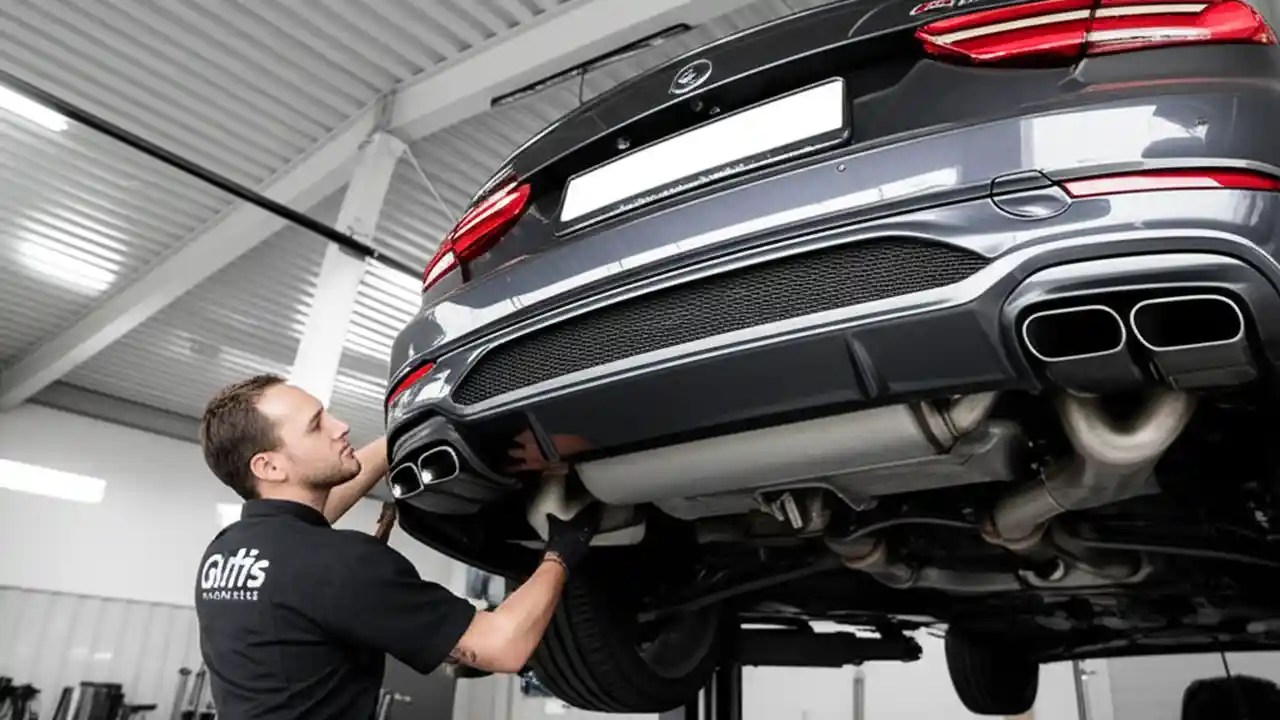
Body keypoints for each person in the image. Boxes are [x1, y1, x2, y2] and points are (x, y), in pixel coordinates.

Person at [193, 374, 600, 719]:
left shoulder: (225, 552)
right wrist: (562, 549)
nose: (340, 426)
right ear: (269, 466)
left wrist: (400, 439)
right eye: (316, 425)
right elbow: (502, 646)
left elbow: (311, 518)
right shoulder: (340, 564)